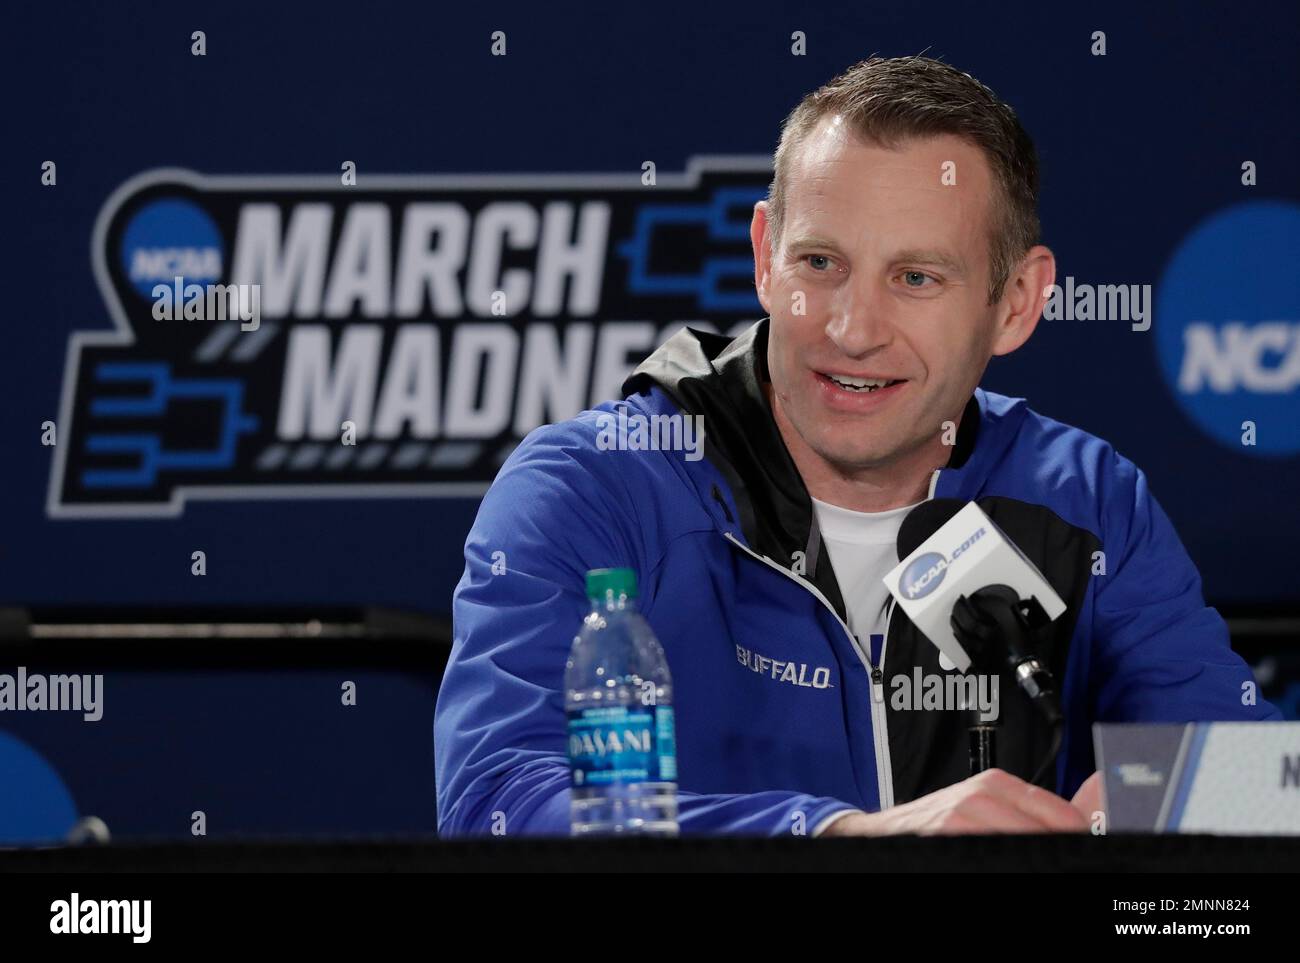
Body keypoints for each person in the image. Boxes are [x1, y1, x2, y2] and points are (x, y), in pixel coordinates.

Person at [435, 55, 1278, 837]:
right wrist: (845, 840)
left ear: (1017, 301)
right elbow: (499, 800)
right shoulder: (594, 486)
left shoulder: (1085, 498)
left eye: (916, 278)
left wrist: (1137, 801)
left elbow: (1269, 781)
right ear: (766, 258)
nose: (852, 329)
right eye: (821, 262)